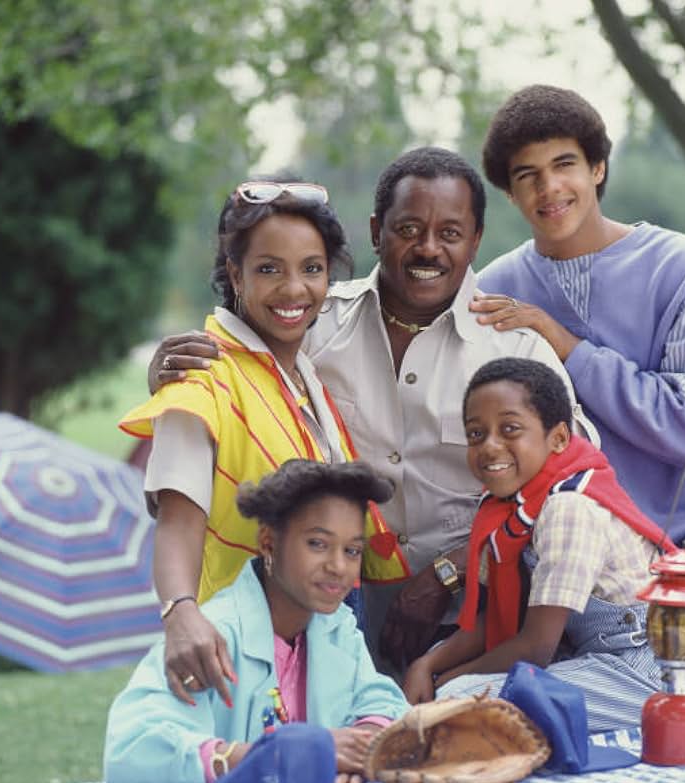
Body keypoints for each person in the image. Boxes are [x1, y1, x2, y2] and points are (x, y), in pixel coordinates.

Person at [149, 148, 596, 675]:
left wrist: (451, 571)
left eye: (450, 234)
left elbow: (574, 480)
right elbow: (235, 377)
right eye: (408, 229)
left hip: (481, 624)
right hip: (332, 616)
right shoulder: (312, 324)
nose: (428, 249)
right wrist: (168, 374)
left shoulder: (515, 348)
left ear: (475, 240)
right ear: (376, 230)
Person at [471, 84, 685, 705]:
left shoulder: (683, 267)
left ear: (597, 167)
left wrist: (570, 349)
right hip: (580, 533)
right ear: (511, 193)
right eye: (528, 176)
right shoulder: (499, 288)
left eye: (565, 165)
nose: (550, 190)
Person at [121, 180, 403, 707]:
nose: (294, 289)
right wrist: (180, 612)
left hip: (326, 639)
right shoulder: (202, 379)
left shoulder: (306, 375)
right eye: (269, 268)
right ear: (235, 274)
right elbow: (179, 522)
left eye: (312, 269)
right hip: (241, 650)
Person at [402, 357, 675, 732]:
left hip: (647, 676)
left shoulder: (569, 507)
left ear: (559, 438)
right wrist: (429, 665)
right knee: (447, 681)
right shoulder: (508, 508)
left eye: (510, 429)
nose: (490, 446)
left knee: (461, 702)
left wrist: (448, 682)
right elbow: (501, 618)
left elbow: (535, 647)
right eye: (476, 434)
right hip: (589, 657)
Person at [104, 459, 409, 783]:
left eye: (352, 550)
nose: (338, 566)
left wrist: (358, 750)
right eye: (317, 544)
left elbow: (381, 700)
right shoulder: (212, 635)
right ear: (268, 542)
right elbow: (131, 748)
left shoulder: (337, 628)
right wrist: (273, 757)